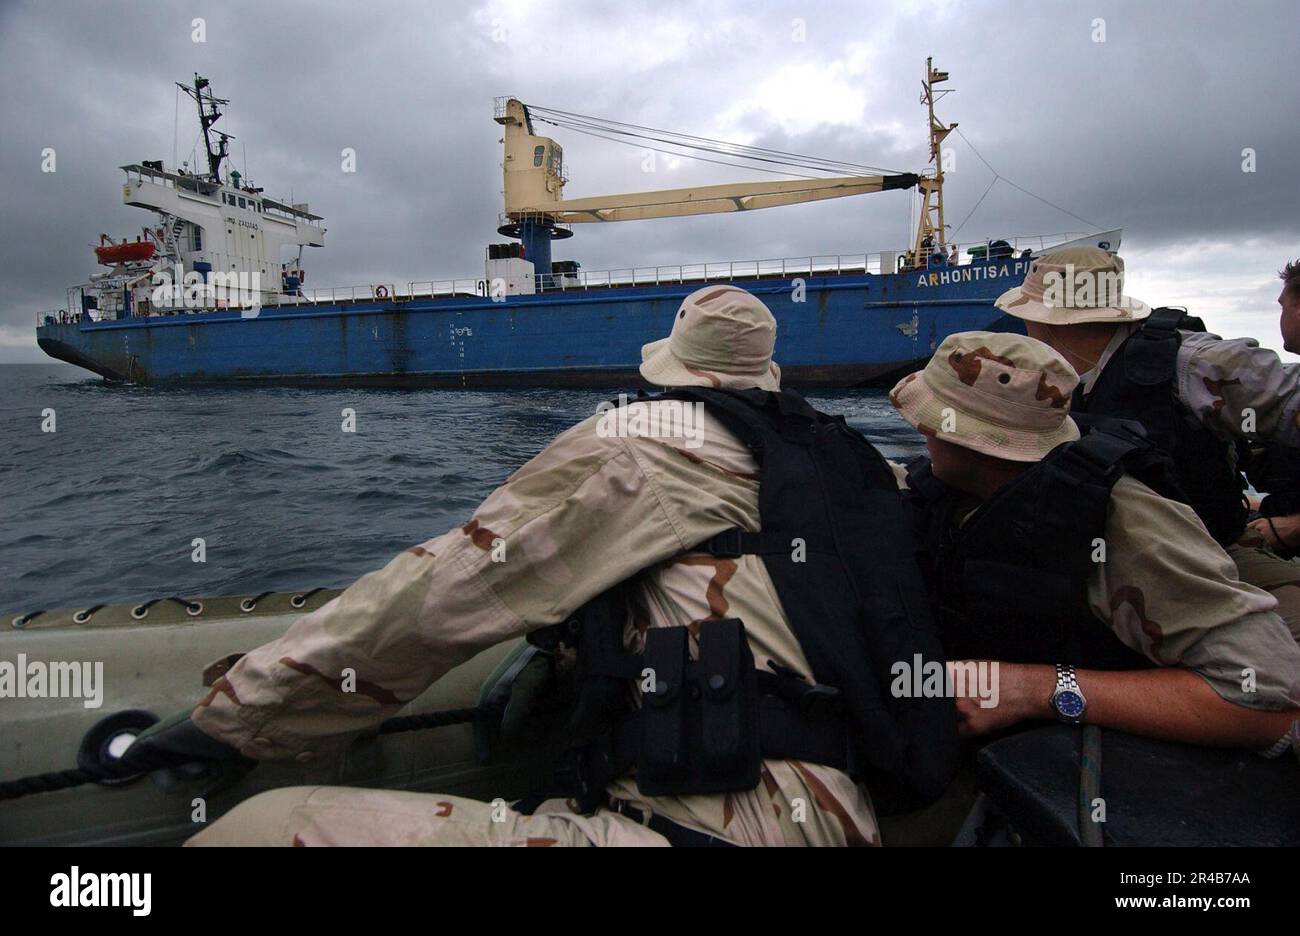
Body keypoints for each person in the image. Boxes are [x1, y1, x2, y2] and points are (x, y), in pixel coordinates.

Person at [125, 285, 955, 847]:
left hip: (715, 827)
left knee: (264, 832)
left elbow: (440, 592)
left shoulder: (644, 441)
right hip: (846, 815)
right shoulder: (850, 460)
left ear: (672, 360)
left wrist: (240, 715)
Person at [890, 331, 1300, 751]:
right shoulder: (965, 488)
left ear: (966, 438)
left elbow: (1269, 699)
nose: (921, 429)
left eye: (930, 417)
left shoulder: (1125, 524)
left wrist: (1034, 690)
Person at [994, 246, 1300, 641]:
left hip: (1207, 560)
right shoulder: (1058, 379)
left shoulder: (1188, 364)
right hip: (1108, 565)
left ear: (1049, 322)